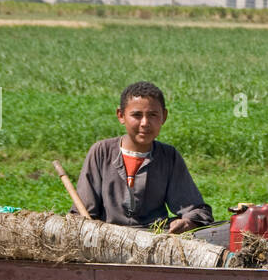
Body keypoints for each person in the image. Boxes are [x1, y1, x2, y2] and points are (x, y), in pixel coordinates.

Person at [75, 81, 212, 232]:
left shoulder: (168, 156)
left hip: (154, 240)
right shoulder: (101, 152)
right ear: (121, 115)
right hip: (107, 239)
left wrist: (187, 223)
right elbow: (83, 213)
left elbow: (194, 209)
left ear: (164, 117)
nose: (145, 123)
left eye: (153, 115)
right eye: (136, 115)